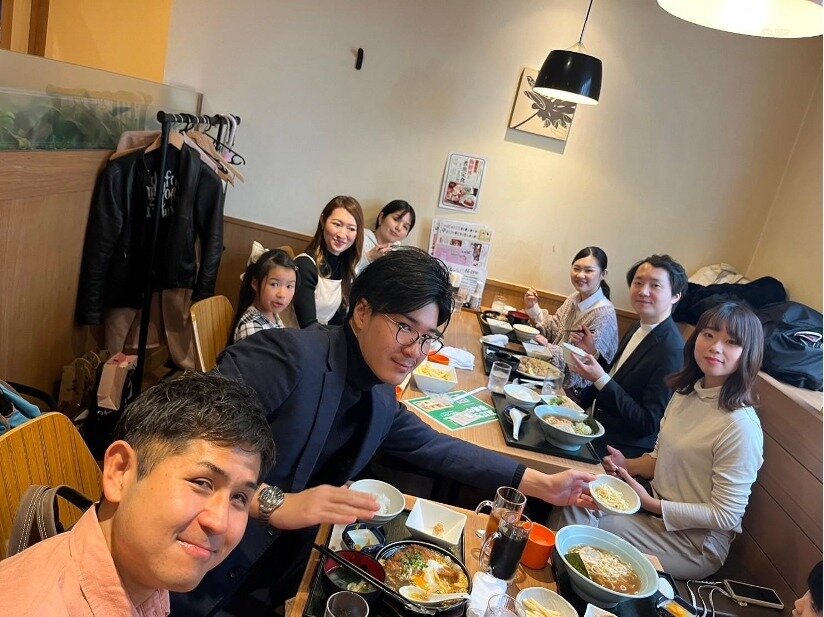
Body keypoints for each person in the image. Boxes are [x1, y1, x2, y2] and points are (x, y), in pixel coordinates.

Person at [176, 247, 597, 616]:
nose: (415, 350)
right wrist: (275, 503)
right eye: (405, 327)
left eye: (428, 337)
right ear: (362, 313)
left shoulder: (378, 393)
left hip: (286, 578)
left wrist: (541, 483)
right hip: (204, 571)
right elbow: (180, 442)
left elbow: (435, 447)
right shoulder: (287, 356)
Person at [0, 372, 275, 617]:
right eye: (202, 483)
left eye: (239, 498)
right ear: (120, 472)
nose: (220, 522)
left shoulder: (142, 572)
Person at [552, 302, 765, 579]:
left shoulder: (741, 426)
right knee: (577, 497)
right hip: (654, 512)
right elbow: (659, 458)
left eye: (731, 342)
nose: (715, 347)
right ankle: (551, 581)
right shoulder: (686, 394)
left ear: (748, 354)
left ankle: (560, 588)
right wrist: (626, 465)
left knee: (591, 530)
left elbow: (726, 515)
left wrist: (651, 505)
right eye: (709, 335)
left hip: (694, 543)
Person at [567, 254, 688, 458]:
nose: (643, 291)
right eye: (638, 283)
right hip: (593, 424)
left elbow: (648, 423)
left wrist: (600, 378)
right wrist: (593, 352)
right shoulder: (638, 326)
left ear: (676, 296)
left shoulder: (672, 349)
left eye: (655, 285)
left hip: (618, 450)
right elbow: (619, 375)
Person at [523, 246, 619, 393]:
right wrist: (533, 307)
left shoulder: (605, 314)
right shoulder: (574, 298)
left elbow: (584, 363)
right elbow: (555, 328)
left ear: (603, 274)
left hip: (574, 391)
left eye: (588, 270)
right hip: (551, 376)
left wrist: (548, 347)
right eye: (576, 268)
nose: (580, 275)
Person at [293, 196, 364, 327]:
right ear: (323, 220)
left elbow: (338, 322)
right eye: (337, 224)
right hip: (300, 336)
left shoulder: (347, 269)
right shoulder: (305, 265)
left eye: (351, 229)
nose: (342, 234)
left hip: (323, 335)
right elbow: (307, 326)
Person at [230, 248, 298, 343]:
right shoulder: (252, 329)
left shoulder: (272, 314)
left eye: (289, 286)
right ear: (255, 284)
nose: (282, 294)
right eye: (274, 284)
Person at [356, 200, 416, 273]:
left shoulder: (400, 259)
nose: (399, 228)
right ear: (381, 218)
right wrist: (369, 257)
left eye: (405, 227)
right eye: (396, 219)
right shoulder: (358, 238)